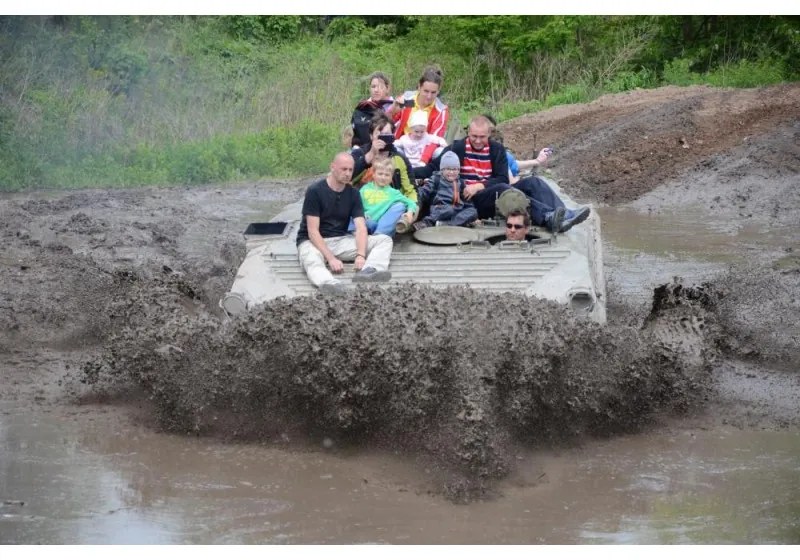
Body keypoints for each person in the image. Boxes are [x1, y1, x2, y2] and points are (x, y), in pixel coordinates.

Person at [419, 115, 590, 233]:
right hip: (470, 200)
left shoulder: (496, 149)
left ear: (489, 134)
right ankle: (547, 217)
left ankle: (566, 214)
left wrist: (479, 185)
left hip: (488, 190)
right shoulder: (457, 148)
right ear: (468, 133)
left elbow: (501, 176)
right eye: (474, 136)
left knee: (533, 182)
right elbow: (432, 168)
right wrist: (404, 169)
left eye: (482, 137)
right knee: (502, 189)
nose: (478, 141)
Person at [296, 152, 393, 295]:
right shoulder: (315, 191)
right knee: (311, 259)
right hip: (313, 242)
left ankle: (371, 270)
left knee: (384, 240)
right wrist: (331, 258)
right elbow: (312, 231)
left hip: (340, 240)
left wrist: (360, 255)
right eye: (344, 169)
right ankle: (329, 283)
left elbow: (360, 227)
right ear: (333, 167)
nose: (348, 173)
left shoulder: (353, 193)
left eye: (350, 170)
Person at [350, 113, 417, 205]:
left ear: (392, 137)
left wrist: (412, 208)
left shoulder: (399, 158)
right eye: (379, 135)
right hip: (363, 202)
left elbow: (411, 190)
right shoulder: (359, 153)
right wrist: (370, 155)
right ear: (371, 136)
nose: (382, 139)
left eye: (386, 135)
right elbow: (347, 177)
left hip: (389, 203)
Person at [349, 157, 417, 237]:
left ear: (391, 177)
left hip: (379, 225)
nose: (383, 177)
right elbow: (356, 205)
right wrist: (361, 215)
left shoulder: (393, 193)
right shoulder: (365, 189)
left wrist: (410, 212)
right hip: (364, 222)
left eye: (387, 175)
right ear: (373, 174)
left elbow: (411, 203)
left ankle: (379, 235)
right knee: (350, 208)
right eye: (380, 174)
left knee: (400, 206)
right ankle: (353, 233)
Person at [413, 151, 477, 230]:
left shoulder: (460, 182)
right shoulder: (436, 179)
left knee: (472, 212)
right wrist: (416, 194)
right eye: (448, 169)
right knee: (449, 209)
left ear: (459, 170)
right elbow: (424, 192)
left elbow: (466, 201)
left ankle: (446, 224)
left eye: (455, 169)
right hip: (440, 209)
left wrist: (470, 212)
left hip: (456, 210)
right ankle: (427, 222)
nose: (451, 172)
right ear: (442, 169)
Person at [390, 66, 449, 140]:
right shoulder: (409, 100)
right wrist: (393, 111)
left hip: (423, 147)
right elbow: (390, 121)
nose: (429, 96)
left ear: (438, 91)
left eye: (433, 92)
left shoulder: (440, 110)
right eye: (426, 91)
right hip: (401, 142)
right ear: (419, 87)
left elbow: (434, 140)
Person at [351, 71, 395, 147]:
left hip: (391, 148)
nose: (376, 90)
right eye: (373, 87)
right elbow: (355, 133)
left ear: (387, 88)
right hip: (365, 148)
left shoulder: (396, 106)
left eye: (380, 87)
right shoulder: (363, 107)